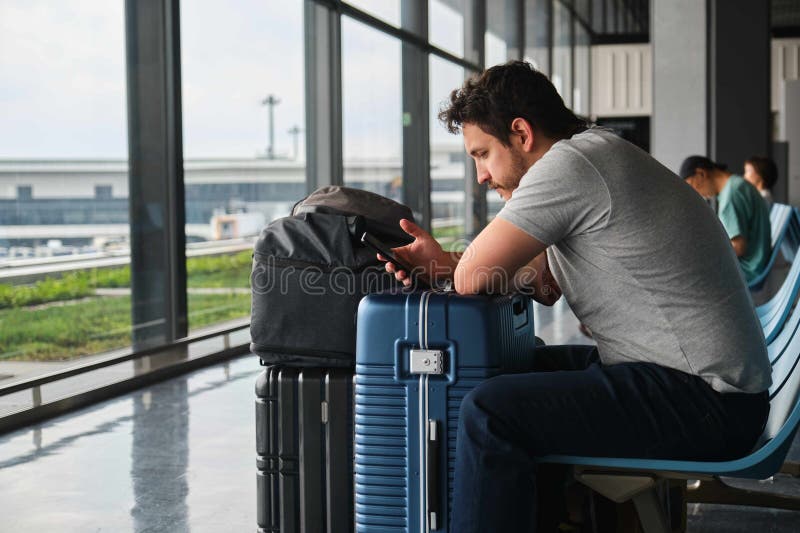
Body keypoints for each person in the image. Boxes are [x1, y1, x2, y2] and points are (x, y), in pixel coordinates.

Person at [379, 61, 771, 532]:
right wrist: (443, 264)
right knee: (513, 369)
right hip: (701, 386)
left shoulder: (571, 164)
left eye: (483, 154)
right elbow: (543, 285)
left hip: (709, 401)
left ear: (521, 133)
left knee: (490, 411)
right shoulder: (592, 155)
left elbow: (472, 279)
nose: (481, 176)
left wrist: (447, 267)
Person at [680, 155, 771, 283]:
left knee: (685, 271)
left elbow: (738, 247)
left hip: (748, 269)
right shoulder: (736, 184)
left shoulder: (731, 195)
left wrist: (705, 253)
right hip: (756, 263)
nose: (696, 193)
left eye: (692, 186)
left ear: (701, 174)